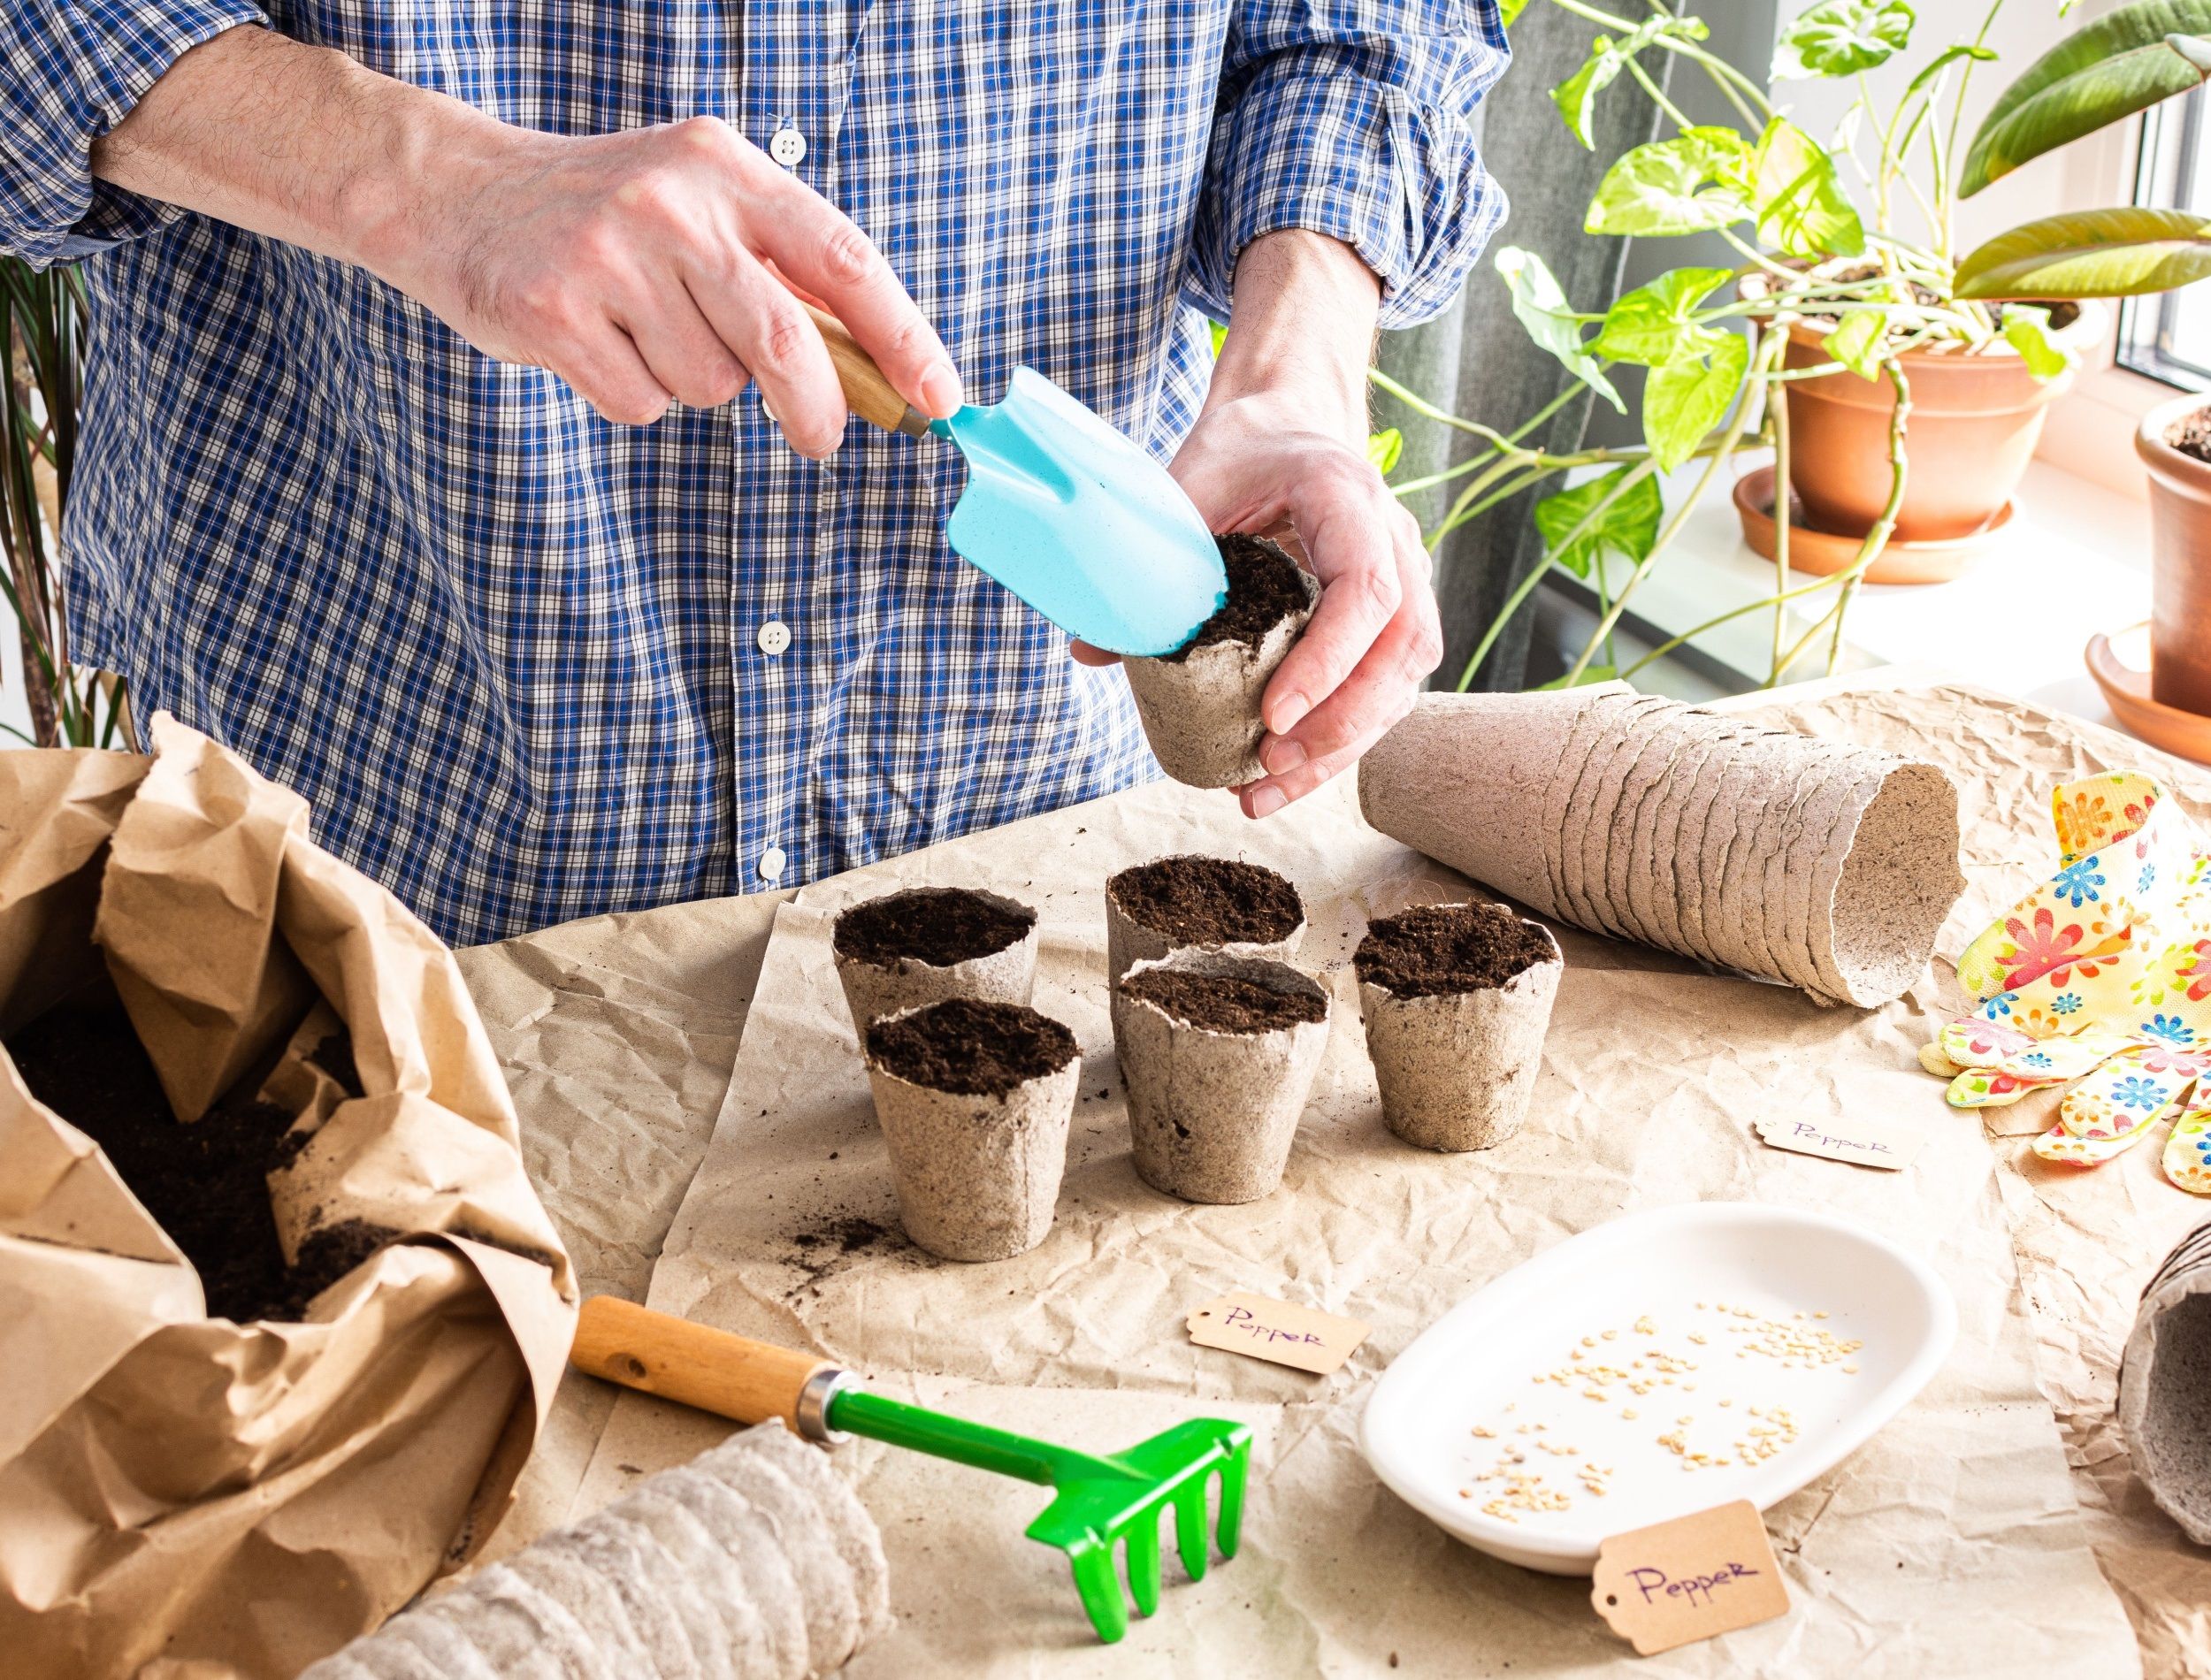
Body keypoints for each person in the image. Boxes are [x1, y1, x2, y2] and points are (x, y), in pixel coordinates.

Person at [1, 3, 1508, 943]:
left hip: (1026, 793)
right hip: (371, 801)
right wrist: (434, 184)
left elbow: (1375, 25)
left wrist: (1296, 366)